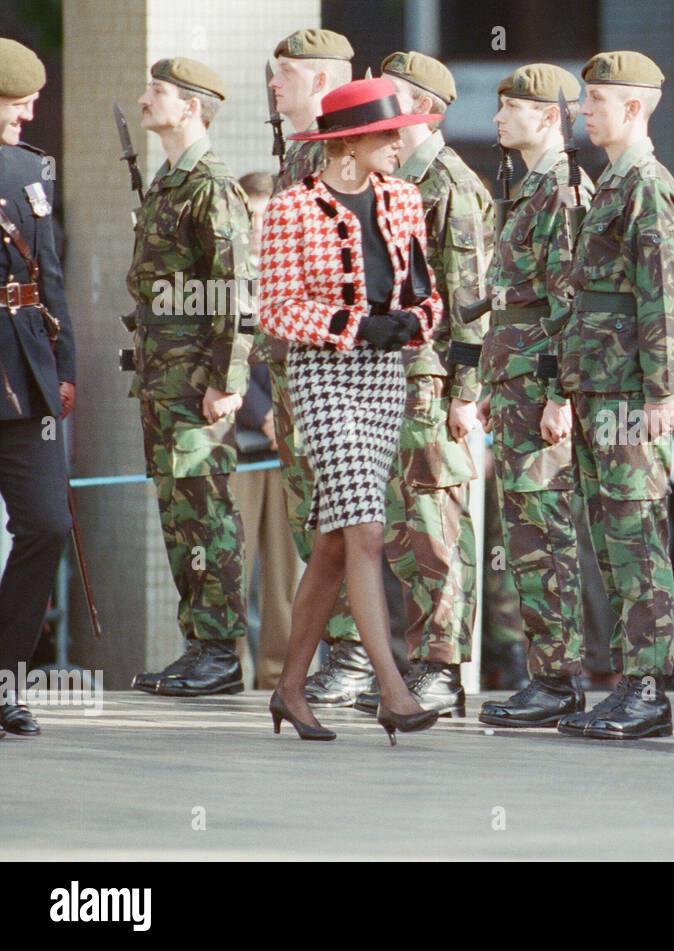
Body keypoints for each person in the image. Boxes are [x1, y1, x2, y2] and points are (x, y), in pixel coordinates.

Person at [258, 77, 443, 744]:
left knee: (337, 539)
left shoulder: (403, 198)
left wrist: (410, 325)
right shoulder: (291, 210)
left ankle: (289, 687)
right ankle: (393, 688)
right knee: (365, 526)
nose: (399, 143)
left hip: (384, 376)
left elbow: (427, 290)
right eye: (387, 134)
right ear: (349, 141)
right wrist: (355, 327)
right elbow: (276, 310)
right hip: (324, 374)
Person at [549, 51, 674, 740]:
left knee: (637, 535)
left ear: (634, 107)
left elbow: (661, 296)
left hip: (631, 392)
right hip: (600, 388)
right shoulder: (611, 185)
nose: (583, 111)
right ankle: (627, 679)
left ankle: (646, 686)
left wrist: (664, 389)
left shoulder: (646, 185)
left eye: (596, 100)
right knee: (611, 536)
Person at [351, 51, 492, 719]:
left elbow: (469, 304)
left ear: (426, 112)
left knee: (434, 527)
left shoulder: (449, 185)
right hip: (385, 374)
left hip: (429, 381)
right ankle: (408, 662)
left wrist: (465, 392)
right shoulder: (389, 181)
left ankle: (442, 666)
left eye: (395, 95)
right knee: (399, 531)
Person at [127, 58, 254, 697]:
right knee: (180, 513)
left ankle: (219, 650)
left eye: (159, 92)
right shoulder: (167, 180)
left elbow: (236, 292)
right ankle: (199, 645)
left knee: (206, 512)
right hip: (163, 377)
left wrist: (225, 378)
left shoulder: (212, 186)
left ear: (194, 107)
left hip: (195, 380)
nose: (145, 100)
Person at [474, 64, 593, 727]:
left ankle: (559, 675)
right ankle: (545, 671)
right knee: (526, 536)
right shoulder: (529, 190)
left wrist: (558, 393)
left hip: (540, 397)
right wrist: (495, 383)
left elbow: (567, 306)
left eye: (511, 107)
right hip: (516, 391)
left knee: (544, 535)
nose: (497, 118)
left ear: (548, 116)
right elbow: (514, 307)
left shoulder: (561, 193)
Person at [263, 28, 375, 707]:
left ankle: (358, 654)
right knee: (318, 513)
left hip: (338, 365)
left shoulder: (347, 153)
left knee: (347, 514)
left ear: (325, 77)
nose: (276, 84)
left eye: (288, 73)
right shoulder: (300, 155)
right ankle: (338, 654)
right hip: (295, 363)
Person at [0, 37, 74, 738]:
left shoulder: (32, 171)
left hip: (24, 369)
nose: (26, 114)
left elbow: (51, 275)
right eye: (14, 103)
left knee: (48, 522)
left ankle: (3, 676)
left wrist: (66, 368)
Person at [231, 171, 298, 690]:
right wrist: (262, 414)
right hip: (243, 442)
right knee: (234, 567)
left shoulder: (292, 274)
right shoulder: (228, 280)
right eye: (250, 215)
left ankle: (278, 675)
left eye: (266, 215)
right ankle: (227, 668)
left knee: (285, 575)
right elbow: (226, 354)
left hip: (290, 442)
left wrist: (288, 416)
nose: (258, 226)